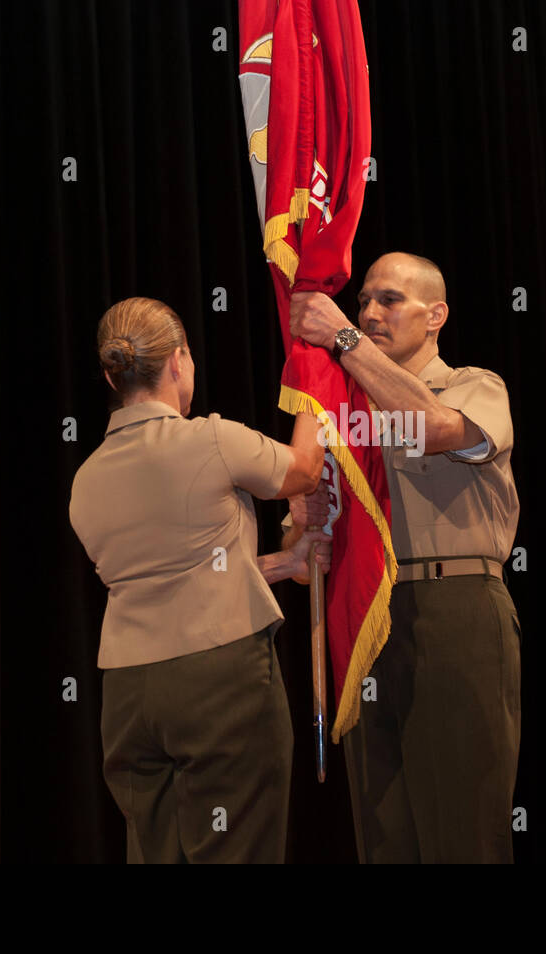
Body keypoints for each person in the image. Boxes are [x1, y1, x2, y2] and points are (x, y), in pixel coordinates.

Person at [68, 296, 330, 863]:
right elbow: (305, 470)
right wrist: (315, 382)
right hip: (218, 680)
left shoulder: (84, 479)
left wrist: (284, 565)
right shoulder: (210, 438)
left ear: (112, 374)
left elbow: (173, 574)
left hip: (128, 694)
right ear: (180, 362)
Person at [288, 252, 521, 863]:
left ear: (435, 314)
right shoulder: (341, 413)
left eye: (388, 300)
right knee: (382, 831)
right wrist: (305, 522)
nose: (368, 314)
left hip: (454, 610)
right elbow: (302, 540)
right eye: (362, 301)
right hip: (368, 612)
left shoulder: (474, 384)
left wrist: (340, 338)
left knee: (462, 830)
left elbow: (435, 427)